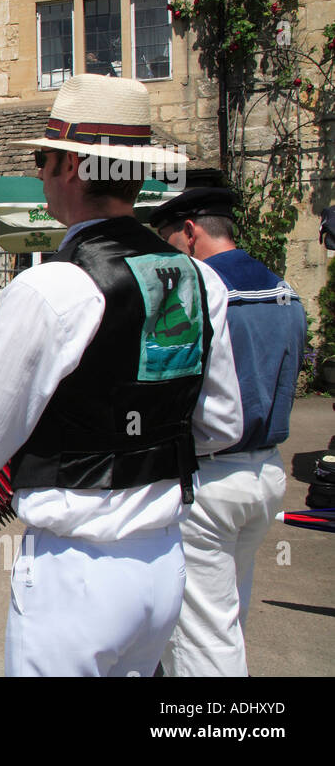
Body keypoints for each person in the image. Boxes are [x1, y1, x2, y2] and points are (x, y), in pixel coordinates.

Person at [0, 74, 243, 676]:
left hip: (76, 575)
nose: (40, 170)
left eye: (42, 159)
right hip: (165, 563)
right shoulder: (201, 280)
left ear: (70, 164)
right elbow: (221, 426)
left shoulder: (51, 289)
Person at [151, 187, 306, 676]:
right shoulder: (284, 290)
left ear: (191, 233)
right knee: (229, 614)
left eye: (169, 241)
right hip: (264, 471)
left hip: (209, 476)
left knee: (202, 635)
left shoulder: (199, 292)